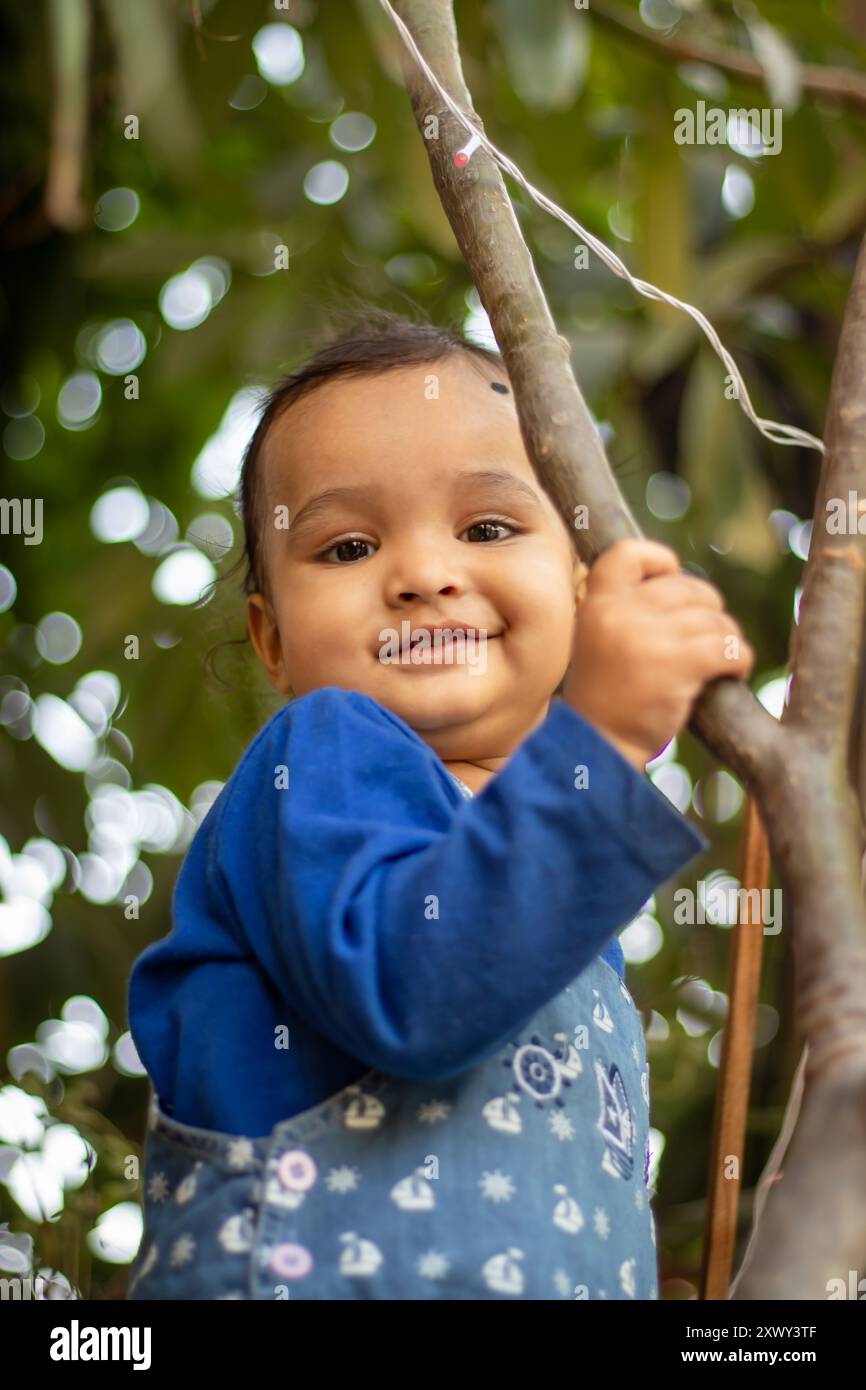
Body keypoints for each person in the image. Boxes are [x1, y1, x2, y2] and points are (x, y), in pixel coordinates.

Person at [126, 309, 753, 1301]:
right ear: (272, 636)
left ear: (581, 593)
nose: (421, 575)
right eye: (345, 548)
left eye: (488, 528)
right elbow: (414, 987)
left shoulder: (563, 919)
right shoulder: (321, 756)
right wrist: (601, 738)